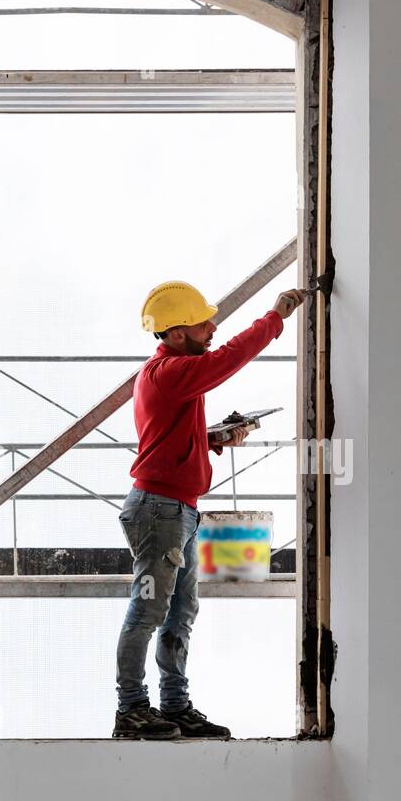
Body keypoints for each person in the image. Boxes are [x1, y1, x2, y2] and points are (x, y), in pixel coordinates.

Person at [113, 280, 309, 739]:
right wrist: (274, 318)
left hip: (176, 510)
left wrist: (213, 439)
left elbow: (168, 440)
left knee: (179, 612)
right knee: (148, 611)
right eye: (203, 324)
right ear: (177, 333)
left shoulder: (172, 374)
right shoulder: (170, 371)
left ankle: (174, 707)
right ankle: (131, 711)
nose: (212, 329)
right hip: (159, 511)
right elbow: (228, 361)